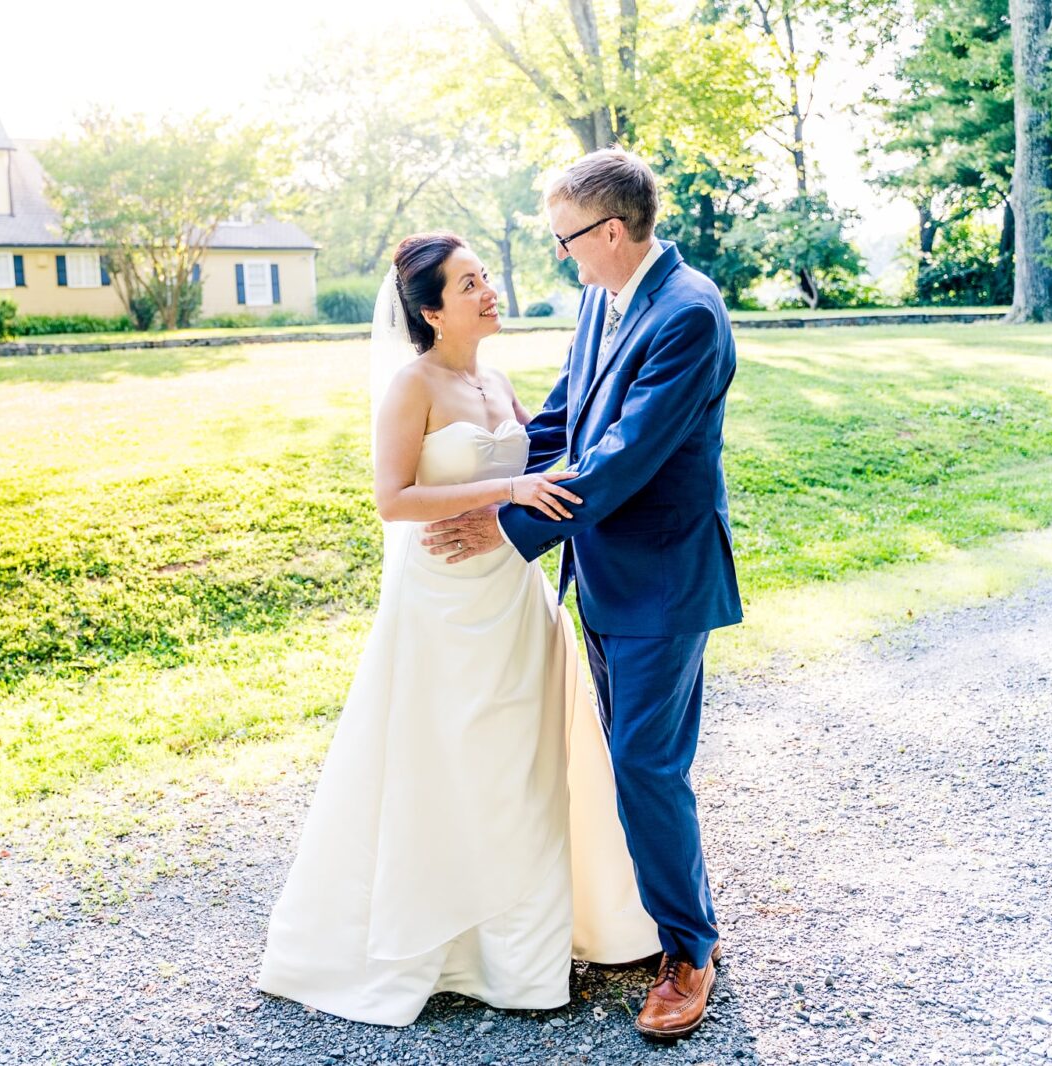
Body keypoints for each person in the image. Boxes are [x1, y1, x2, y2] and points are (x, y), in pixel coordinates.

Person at [256, 231, 659, 1028]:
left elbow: (554, 455)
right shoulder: (414, 387)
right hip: (444, 608)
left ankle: (527, 950)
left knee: (526, 767)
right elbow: (393, 500)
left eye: (485, 277)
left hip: (514, 596)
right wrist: (507, 488)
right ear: (433, 310)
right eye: (469, 283)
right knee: (457, 765)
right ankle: (451, 944)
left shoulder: (497, 378)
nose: (488, 291)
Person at [422, 147, 743, 1039]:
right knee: (630, 759)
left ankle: (691, 950)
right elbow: (568, 415)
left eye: (566, 238)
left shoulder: (689, 313)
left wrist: (508, 529)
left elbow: (624, 456)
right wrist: (494, 477)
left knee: (646, 763)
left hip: (662, 581)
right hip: (598, 573)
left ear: (609, 231)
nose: (561, 253)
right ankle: (669, 916)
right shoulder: (605, 298)